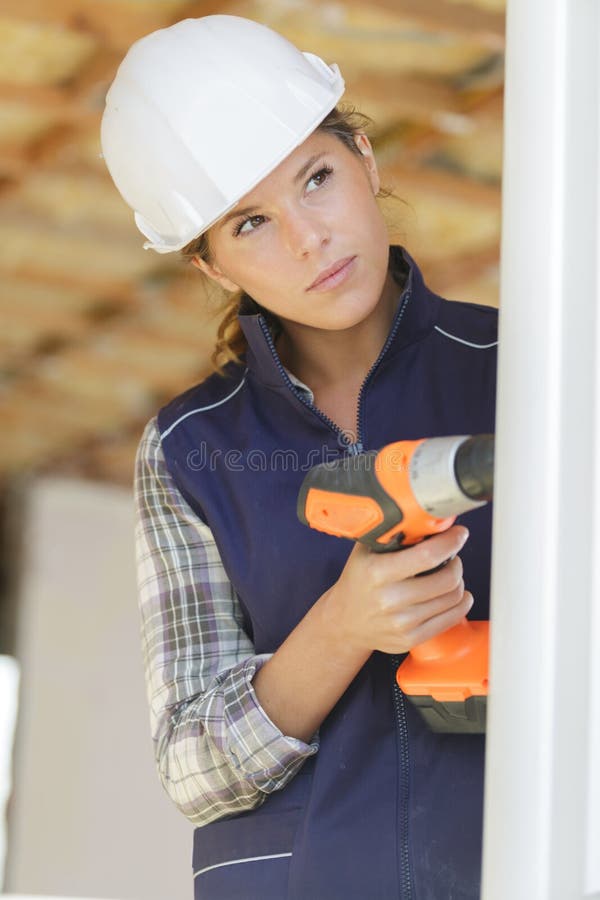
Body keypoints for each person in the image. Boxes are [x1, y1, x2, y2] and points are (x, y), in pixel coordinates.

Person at [101, 15, 497, 900]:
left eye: (316, 178)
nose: (309, 239)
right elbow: (193, 769)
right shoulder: (191, 451)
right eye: (251, 224)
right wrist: (345, 627)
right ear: (212, 266)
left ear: (366, 157)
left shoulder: (532, 376)